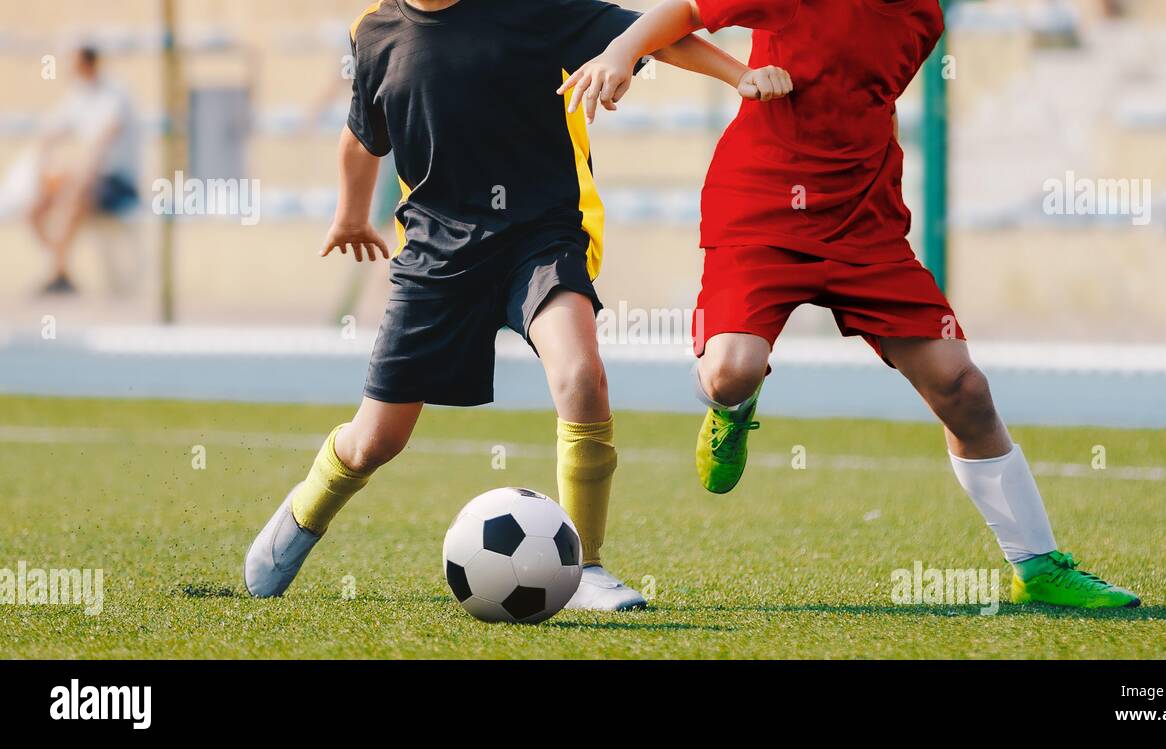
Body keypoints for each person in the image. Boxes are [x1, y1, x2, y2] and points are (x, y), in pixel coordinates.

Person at [561, 0, 1140, 608]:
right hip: (762, 210)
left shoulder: (924, 16)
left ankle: (1037, 565)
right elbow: (683, 11)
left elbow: (866, 99)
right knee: (731, 372)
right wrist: (621, 53)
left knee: (962, 387)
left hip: (864, 222)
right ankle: (734, 408)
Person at [244, 0, 791, 611]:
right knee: (376, 440)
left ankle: (584, 567)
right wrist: (349, 215)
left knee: (581, 376)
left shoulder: (533, 8)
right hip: (436, 255)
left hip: (541, 237)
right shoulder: (374, 32)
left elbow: (650, 38)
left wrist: (738, 75)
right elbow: (361, 136)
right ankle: (303, 517)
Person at [27, 46, 140, 295]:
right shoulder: (78, 96)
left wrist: (77, 175)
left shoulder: (116, 94)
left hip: (118, 182)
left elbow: (103, 142)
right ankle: (60, 266)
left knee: (76, 192)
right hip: (88, 180)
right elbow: (50, 132)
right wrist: (42, 166)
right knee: (36, 207)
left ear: (87, 65)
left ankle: (58, 271)